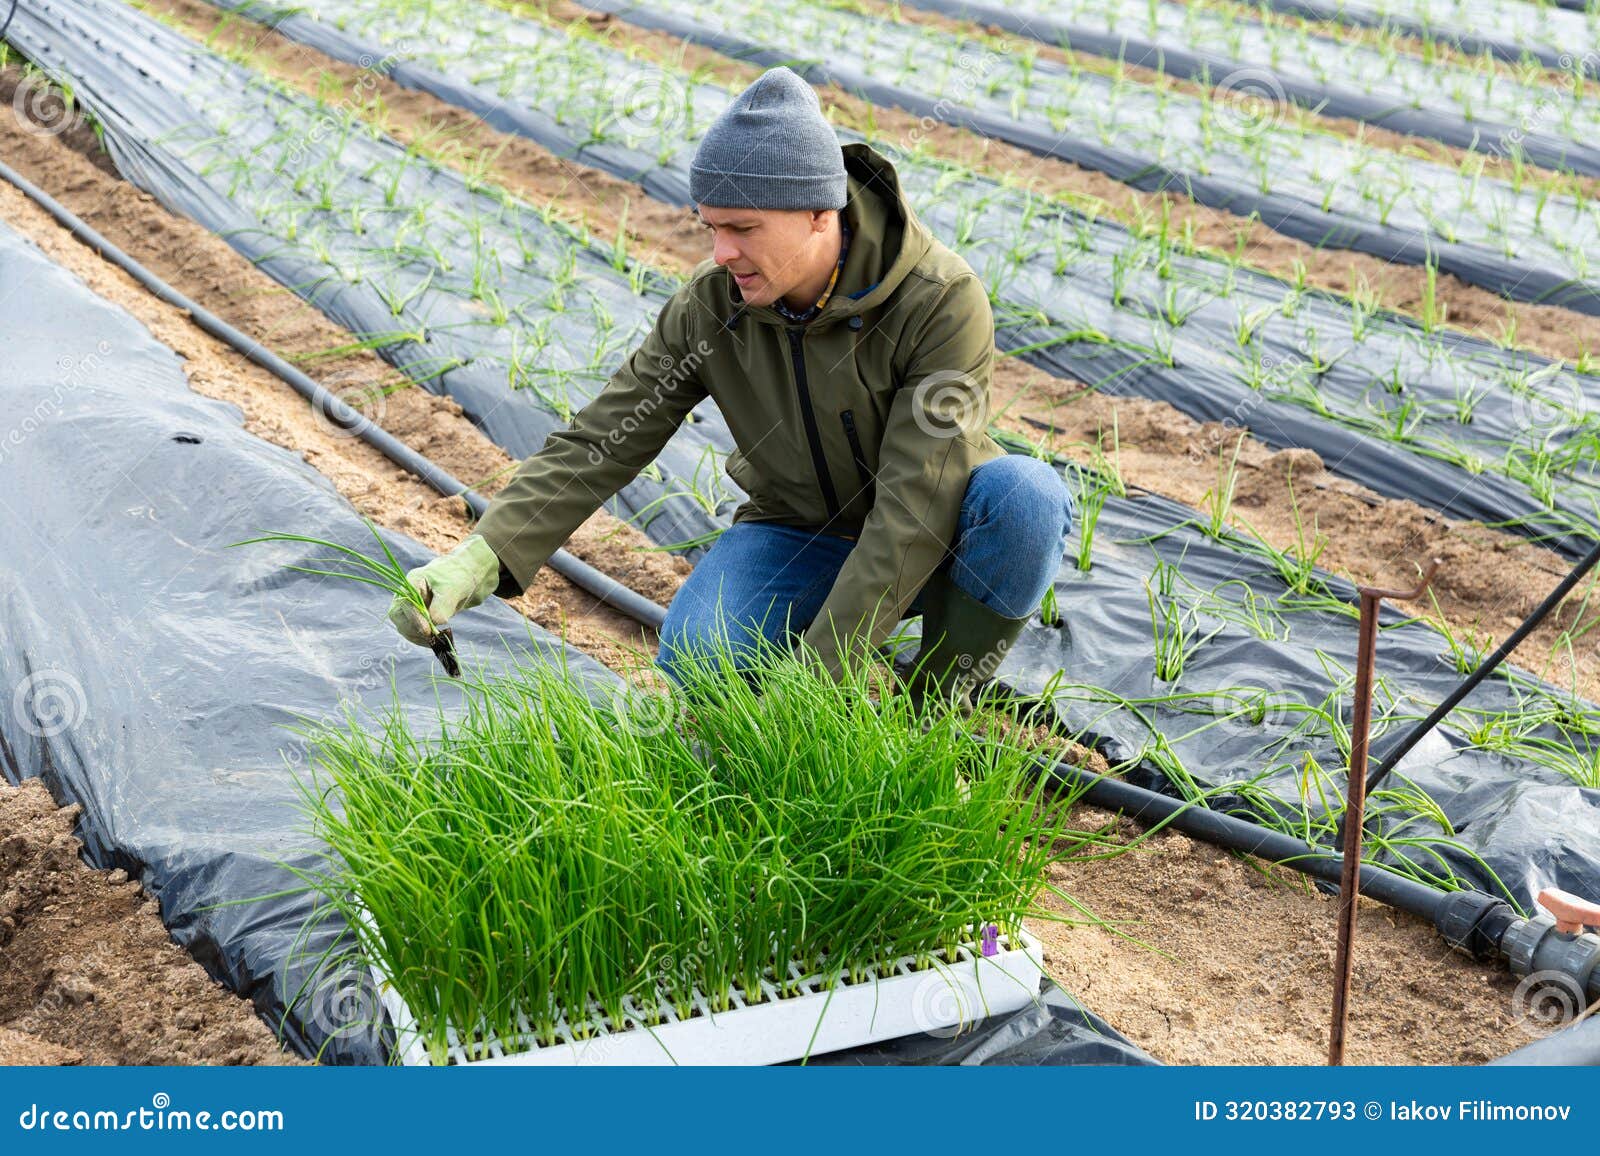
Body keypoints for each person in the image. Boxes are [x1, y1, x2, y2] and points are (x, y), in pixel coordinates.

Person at [388, 66, 1074, 707]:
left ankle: (934, 711)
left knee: (1024, 498)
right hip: (800, 530)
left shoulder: (938, 300)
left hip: (938, 533)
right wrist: (479, 559)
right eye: (711, 227)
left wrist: (814, 688)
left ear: (818, 213)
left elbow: (914, 510)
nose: (721, 253)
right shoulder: (714, 306)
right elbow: (603, 440)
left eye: (743, 228)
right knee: (699, 656)